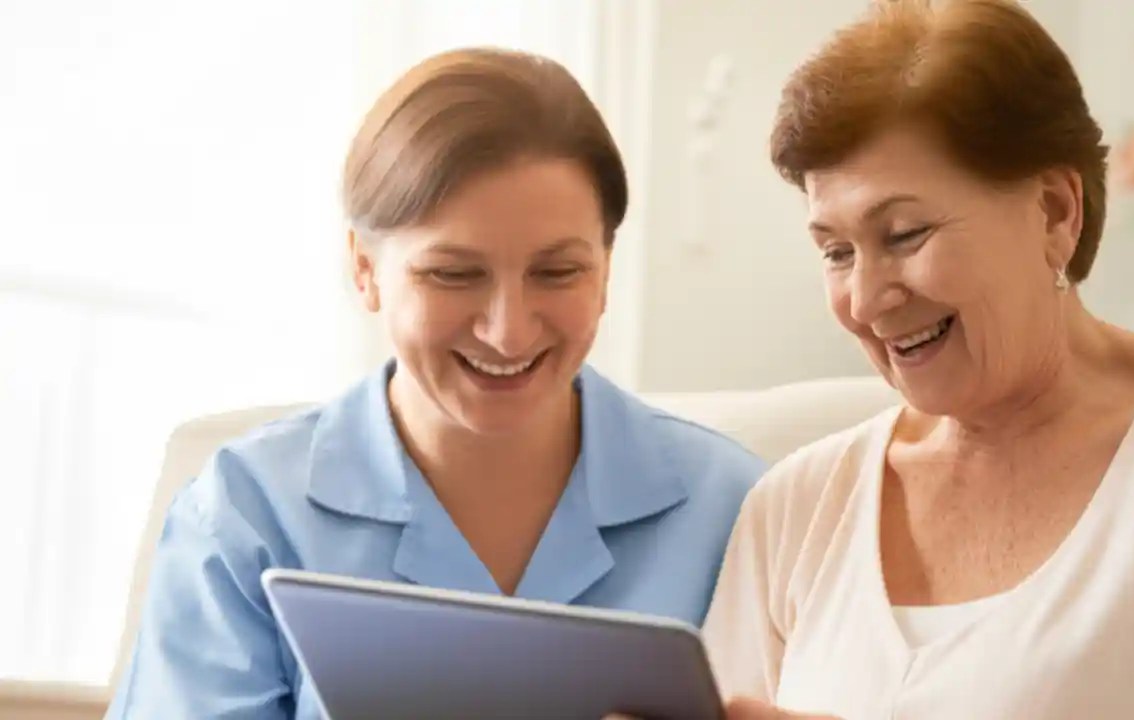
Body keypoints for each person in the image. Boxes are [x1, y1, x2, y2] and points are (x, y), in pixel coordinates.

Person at [106, 48, 765, 719]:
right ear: (365, 270)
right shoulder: (244, 513)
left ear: (606, 268)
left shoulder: (742, 508)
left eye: (558, 272)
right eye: (453, 274)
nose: (508, 332)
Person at [698, 1, 1134, 718]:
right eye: (837, 252)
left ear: (1056, 212)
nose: (868, 298)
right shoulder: (796, 507)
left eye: (906, 234)